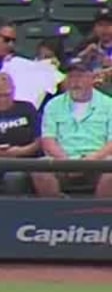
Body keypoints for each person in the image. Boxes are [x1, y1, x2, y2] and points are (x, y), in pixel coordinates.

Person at [32, 61, 112, 198]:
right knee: (39, 169)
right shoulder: (53, 105)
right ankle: (57, 211)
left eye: (80, 76)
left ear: (92, 78)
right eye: (71, 77)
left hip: (98, 160)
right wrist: (67, 162)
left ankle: (99, 212)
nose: (75, 82)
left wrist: (92, 160)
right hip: (62, 160)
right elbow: (48, 140)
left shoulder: (109, 104)